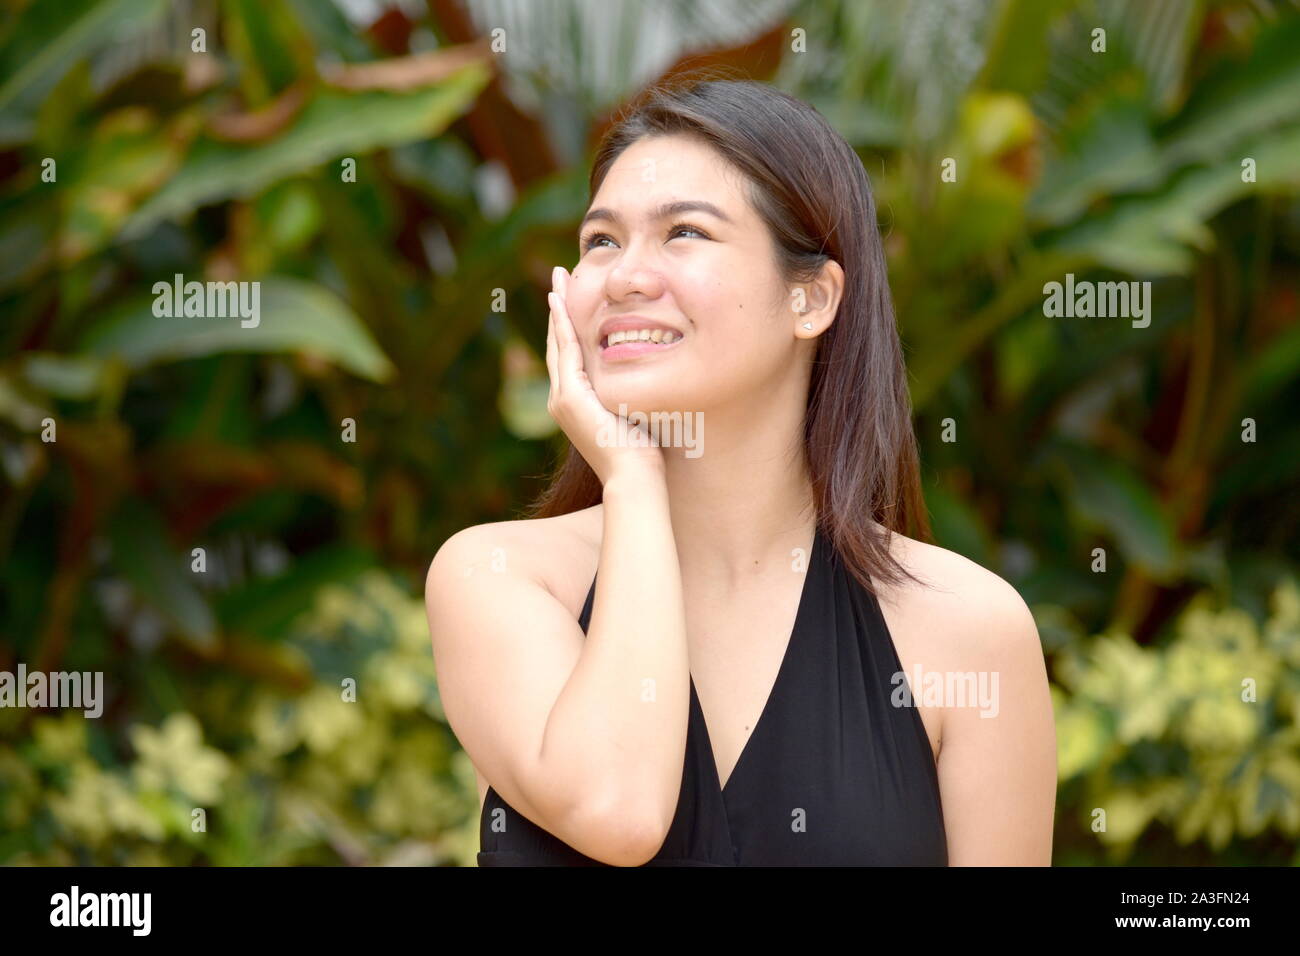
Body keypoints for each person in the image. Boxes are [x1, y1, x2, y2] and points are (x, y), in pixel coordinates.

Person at [426, 72, 1057, 866]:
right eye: (600, 241)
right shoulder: (498, 579)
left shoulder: (967, 631)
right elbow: (618, 808)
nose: (625, 276)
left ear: (811, 299)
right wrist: (629, 476)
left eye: (684, 232)